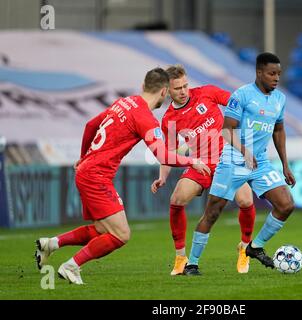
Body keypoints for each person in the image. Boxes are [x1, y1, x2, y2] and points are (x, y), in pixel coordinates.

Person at [34, 68, 210, 285]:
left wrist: (83, 157)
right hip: (96, 176)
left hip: (87, 170)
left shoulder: (123, 102)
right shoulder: (145, 118)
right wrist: (192, 161)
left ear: (143, 86)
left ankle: (51, 244)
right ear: (164, 92)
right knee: (120, 235)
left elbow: (91, 126)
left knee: (102, 229)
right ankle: (72, 266)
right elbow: (162, 155)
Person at [183, 53, 296, 276]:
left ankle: (255, 247)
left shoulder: (279, 99)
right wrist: (244, 153)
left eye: (279, 74)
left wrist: (285, 164)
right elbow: (227, 129)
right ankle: (192, 263)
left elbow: (279, 130)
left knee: (286, 205)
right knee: (213, 212)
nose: (276, 78)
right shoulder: (241, 95)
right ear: (259, 72)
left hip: (260, 162)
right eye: (272, 74)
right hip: (233, 160)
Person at [150, 65, 256, 275]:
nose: (183, 91)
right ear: (167, 90)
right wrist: (162, 176)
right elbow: (169, 152)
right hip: (201, 164)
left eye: (185, 85)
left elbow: (235, 103)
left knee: (246, 200)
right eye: (178, 88)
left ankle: (244, 248)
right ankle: (181, 258)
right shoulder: (170, 119)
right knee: (177, 199)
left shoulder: (207, 92)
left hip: (226, 160)